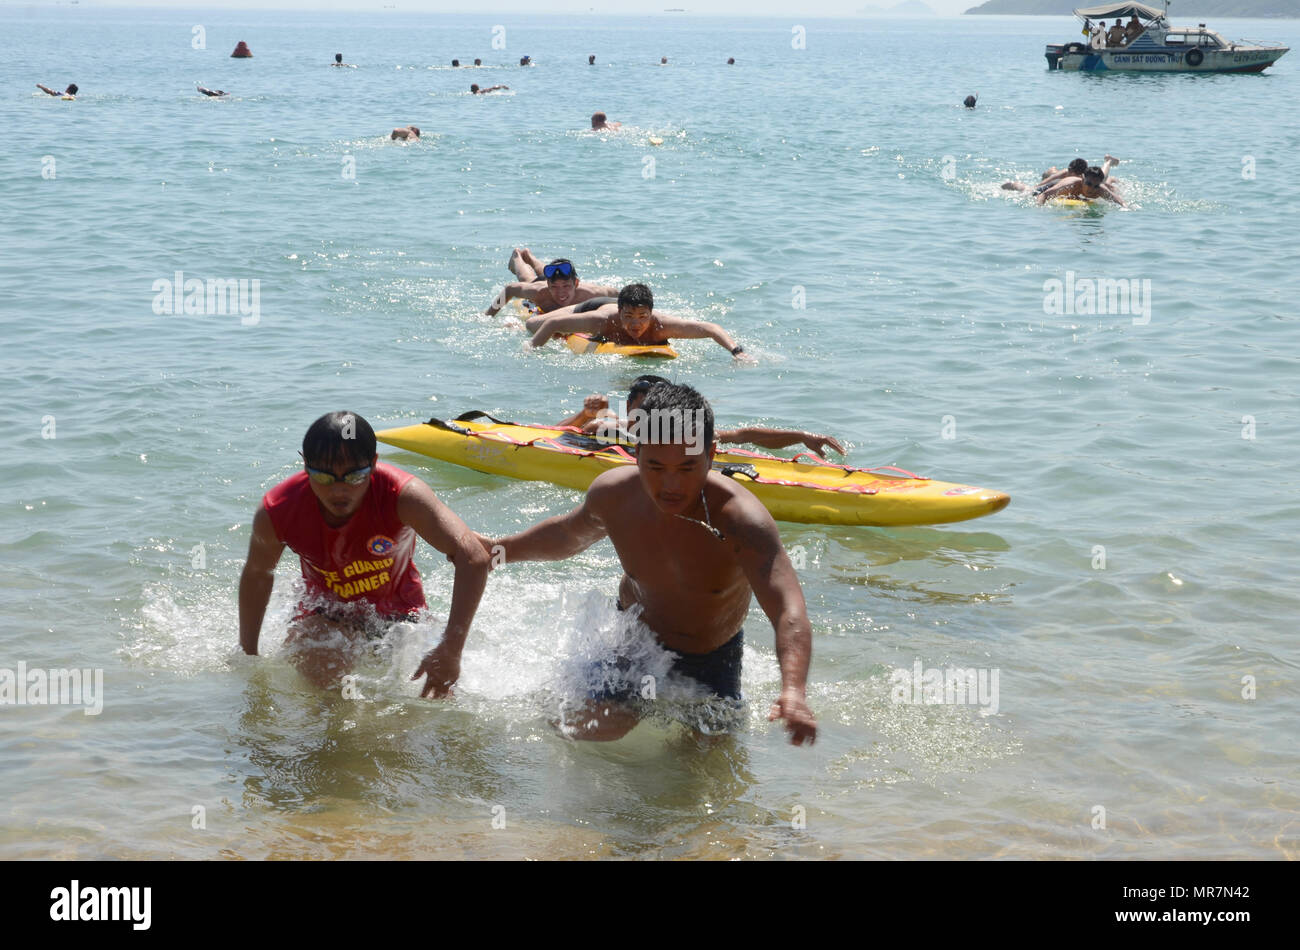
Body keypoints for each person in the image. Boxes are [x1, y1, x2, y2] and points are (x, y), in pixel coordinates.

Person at [477, 382, 817, 744]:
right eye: (655, 466)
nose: (670, 484)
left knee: (703, 778)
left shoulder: (741, 520)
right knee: (585, 730)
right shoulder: (614, 495)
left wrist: (793, 690)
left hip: (712, 657)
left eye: (687, 468)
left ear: (712, 454)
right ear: (636, 452)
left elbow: (788, 609)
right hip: (636, 643)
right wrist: (498, 550)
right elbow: (567, 536)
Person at [238, 412, 490, 694]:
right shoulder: (279, 510)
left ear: (373, 464)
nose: (339, 489)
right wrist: (248, 654)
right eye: (323, 476)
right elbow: (258, 573)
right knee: (325, 689)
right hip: (327, 612)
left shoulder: (403, 496)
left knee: (438, 697)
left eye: (355, 476)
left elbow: (474, 558)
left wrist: (451, 650)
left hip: (401, 615)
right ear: (305, 465)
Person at [559, 375, 845, 458]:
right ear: (630, 405)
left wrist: (803, 437)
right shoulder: (607, 426)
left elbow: (746, 435)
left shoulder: (682, 435)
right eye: (641, 406)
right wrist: (583, 414)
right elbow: (554, 436)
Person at [526, 283, 754, 362]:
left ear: (651, 313)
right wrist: (531, 348)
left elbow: (710, 328)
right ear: (620, 313)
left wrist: (737, 351)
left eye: (642, 317)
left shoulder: (663, 325)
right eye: (629, 317)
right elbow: (552, 326)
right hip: (592, 305)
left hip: (620, 302)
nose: (636, 324)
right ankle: (533, 284)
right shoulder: (602, 320)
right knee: (532, 324)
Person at [485, 254, 619, 317]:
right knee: (528, 278)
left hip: (551, 280)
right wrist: (490, 315)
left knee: (544, 274)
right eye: (554, 287)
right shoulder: (539, 291)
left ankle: (530, 257)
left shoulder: (592, 293)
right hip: (539, 283)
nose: (561, 293)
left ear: (576, 283)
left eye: (566, 286)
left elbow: (619, 295)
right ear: (548, 285)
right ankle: (517, 258)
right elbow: (510, 289)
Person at [1003, 155, 1118, 194]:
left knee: (1103, 177)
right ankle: (1014, 184)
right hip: (1055, 180)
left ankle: (1108, 161)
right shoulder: (1064, 173)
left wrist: (1110, 186)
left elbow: (1104, 186)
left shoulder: (1088, 179)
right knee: (1030, 188)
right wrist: (1036, 189)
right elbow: (1042, 184)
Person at [1036, 165, 1127, 207]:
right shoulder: (1070, 185)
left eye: (1096, 186)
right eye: (1088, 184)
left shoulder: (1100, 190)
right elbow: (1043, 195)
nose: (1091, 189)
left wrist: (1126, 208)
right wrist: (1039, 208)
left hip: (1073, 193)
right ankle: (1052, 172)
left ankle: (1111, 179)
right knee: (1029, 191)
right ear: (1082, 180)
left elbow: (1120, 201)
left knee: (1111, 188)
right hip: (1056, 183)